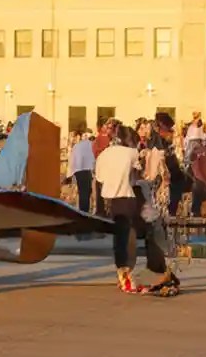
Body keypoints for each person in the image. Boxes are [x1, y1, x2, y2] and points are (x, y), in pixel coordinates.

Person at [96, 125, 172, 294]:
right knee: (134, 235)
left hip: (110, 200)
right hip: (127, 197)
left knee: (120, 238)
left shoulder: (103, 154)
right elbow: (141, 175)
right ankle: (132, 275)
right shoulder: (131, 153)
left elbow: (99, 177)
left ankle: (122, 276)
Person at [69, 133, 95, 214]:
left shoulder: (77, 146)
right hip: (87, 170)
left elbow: (73, 159)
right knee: (86, 192)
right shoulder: (91, 145)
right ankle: (85, 211)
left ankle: (82, 211)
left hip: (78, 170)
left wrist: (72, 172)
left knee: (82, 192)